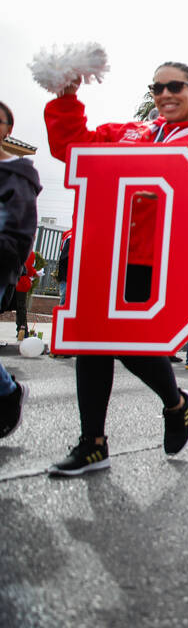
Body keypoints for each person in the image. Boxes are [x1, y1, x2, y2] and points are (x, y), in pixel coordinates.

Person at [43, 62, 188, 474]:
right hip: (103, 255)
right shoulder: (127, 134)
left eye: (175, 86)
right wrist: (66, 97)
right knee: (92, 343)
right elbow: (72, 146)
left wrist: (177, 188)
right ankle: (92, 443)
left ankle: (175, 403)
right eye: (157, 87)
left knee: (130, 345)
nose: (165, 94)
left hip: (157, 262)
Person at [0, 101, 41, 438]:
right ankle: (7, 391)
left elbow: (21, 235)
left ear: (8, 129)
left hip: (1, 266)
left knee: (23, 314)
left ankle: (8, 392)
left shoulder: (18, 175)